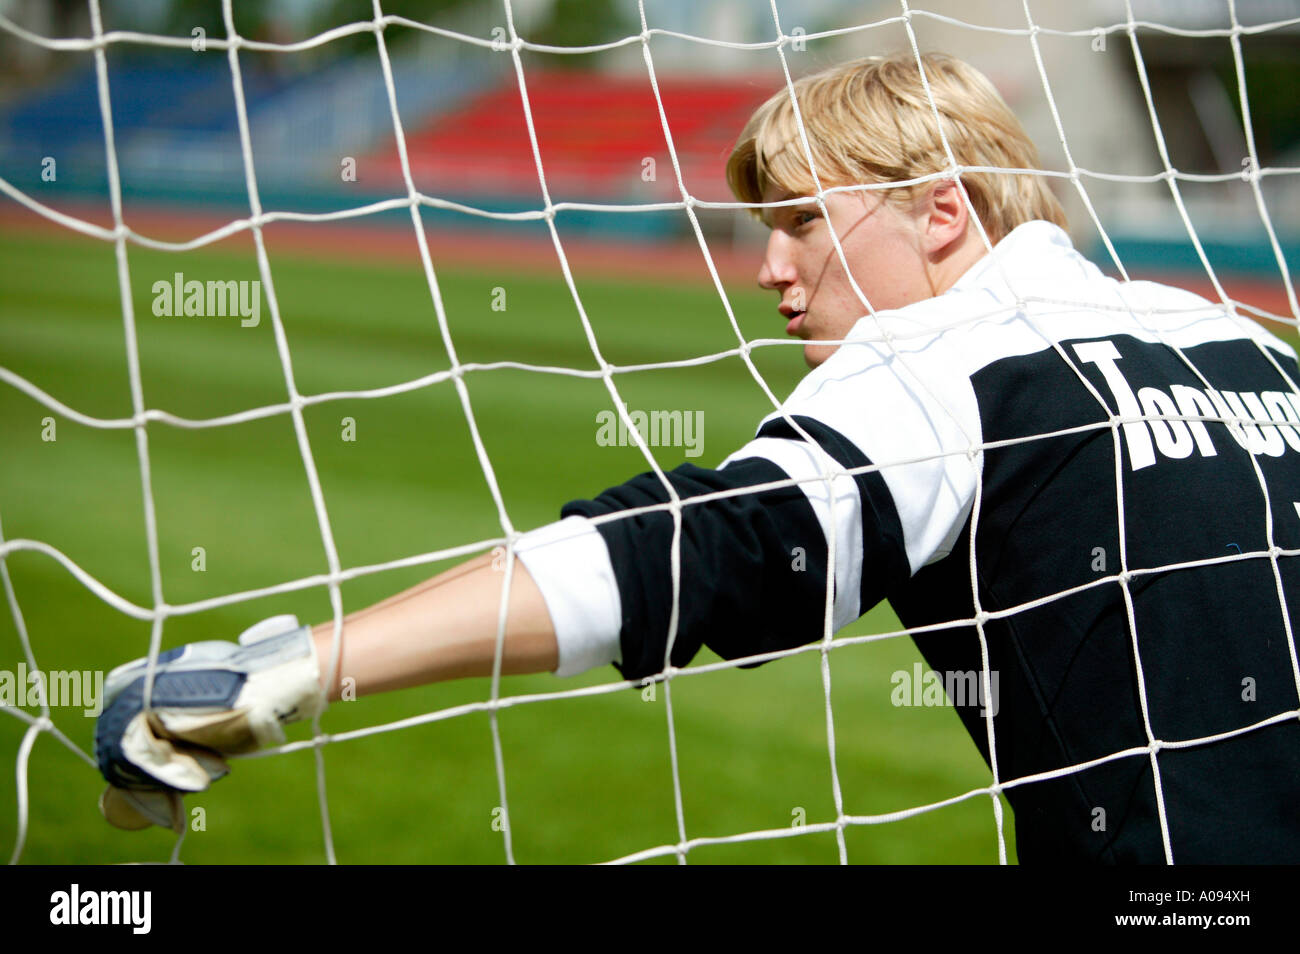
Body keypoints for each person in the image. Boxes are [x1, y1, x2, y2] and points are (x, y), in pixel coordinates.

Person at [95, 52, 1300, 863]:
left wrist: (301, 665)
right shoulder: (1244, 342)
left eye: (800, 223)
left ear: (942, 213)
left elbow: (700, 549)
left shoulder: (950, 360)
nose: (769, 271)